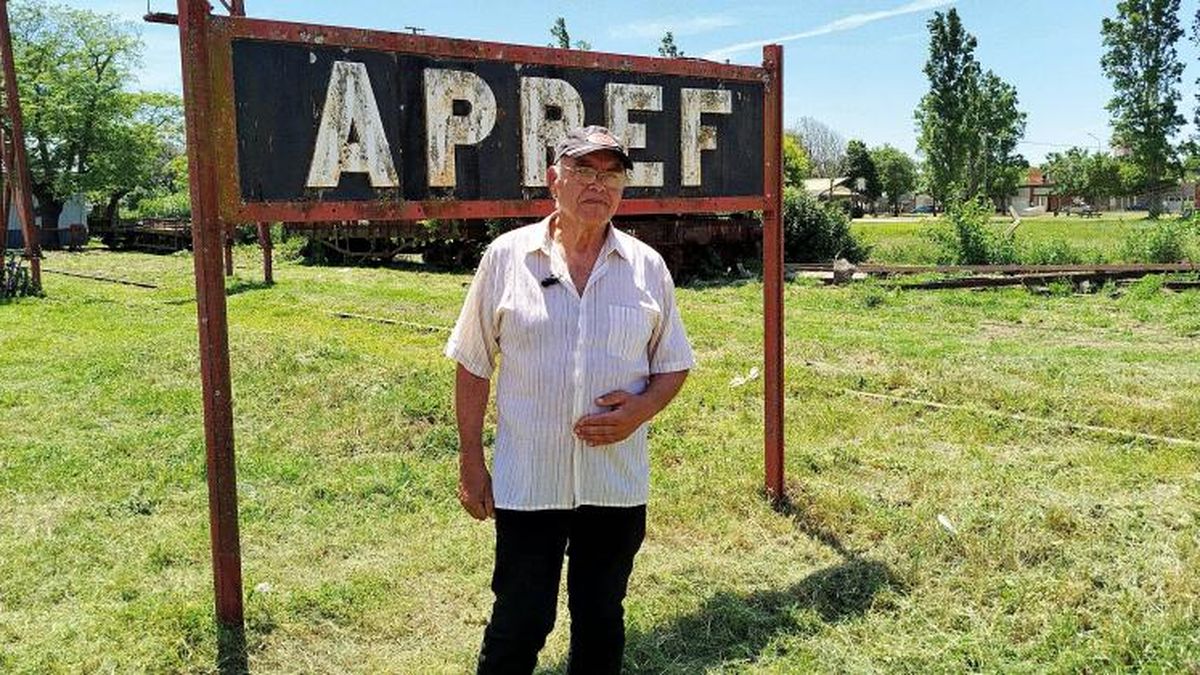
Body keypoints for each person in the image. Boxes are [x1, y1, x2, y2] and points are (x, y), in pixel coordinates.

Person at [445, 125, 695, 674]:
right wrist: (471, 462)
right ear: (552, 180)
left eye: (611, 174)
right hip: (529, 482)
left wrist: (639, 412)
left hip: (614, 483)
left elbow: (672, 364)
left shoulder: (647, 267)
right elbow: (472, 362)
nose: (597, 185)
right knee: (521, 619)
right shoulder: (507, 258)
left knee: (601, 617)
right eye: (583, 171)